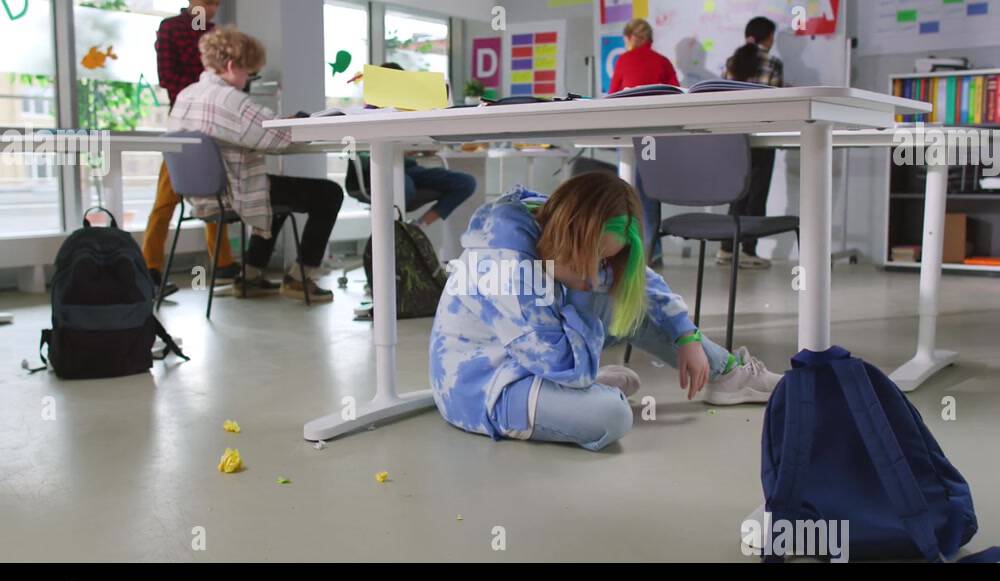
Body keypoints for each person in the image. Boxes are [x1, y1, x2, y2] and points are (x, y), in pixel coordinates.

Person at [429, 173, 782, 452]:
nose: (599, 270)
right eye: (596, 257)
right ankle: (586, 395)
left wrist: (686, 335)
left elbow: (640, 281)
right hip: (488, 387)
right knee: (611, 416)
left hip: (537, 361)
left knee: (627, 302)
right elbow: (559, 364)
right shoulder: (507, 269)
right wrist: (584, 361)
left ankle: (727, 376)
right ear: (571, 236)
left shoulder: (551, 225)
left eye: (605, 259)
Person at [169, 26, 344, 302]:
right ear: (230, 65)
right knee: (328, 193)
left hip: (198, 195)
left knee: (277, 194)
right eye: (247, 72)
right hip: (233, 193)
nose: (248, 78)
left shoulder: (186, 95)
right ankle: (301, 278)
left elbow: (245, 132)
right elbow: (276, 139)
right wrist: (310, 124)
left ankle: (250, 276)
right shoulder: (230, 100)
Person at [143, 0, 237, 298]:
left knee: (215, 194)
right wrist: (202, 93)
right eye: (208, 3)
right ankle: (149, 268)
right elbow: (168, 78)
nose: (212, 9)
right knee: (166, 198)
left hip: (212, 120)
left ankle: (223, 266)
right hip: (185, 121)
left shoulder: (217, 33)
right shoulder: (171, 28)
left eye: (215, 4)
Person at [362, 63, 477, 228]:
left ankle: (417, 227)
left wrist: (421, 147)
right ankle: (392, 233)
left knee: (465, 182)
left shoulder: (407, 108)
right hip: (382, 169)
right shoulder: (368, 113)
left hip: (410, 168)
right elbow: (364, 153)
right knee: (404, 189)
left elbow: (411, 141)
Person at [608, 18, 680, 265]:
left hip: (629, 133)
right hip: (657, 135)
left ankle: (634, 255)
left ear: (629, 38)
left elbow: (612, 96)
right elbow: (677, 96)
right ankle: (653, 251)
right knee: (651, 194)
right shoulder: (662, 61)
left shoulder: (624, 60)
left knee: (628, 193)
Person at [717, 16, 784, 270]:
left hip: (734, 136)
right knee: (757, 195)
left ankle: (725, 248)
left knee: (737, 193)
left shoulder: (732, 62)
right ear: (767, 37)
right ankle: (747, 250)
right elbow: (775, 100)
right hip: (761, 135)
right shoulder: (773, 62)